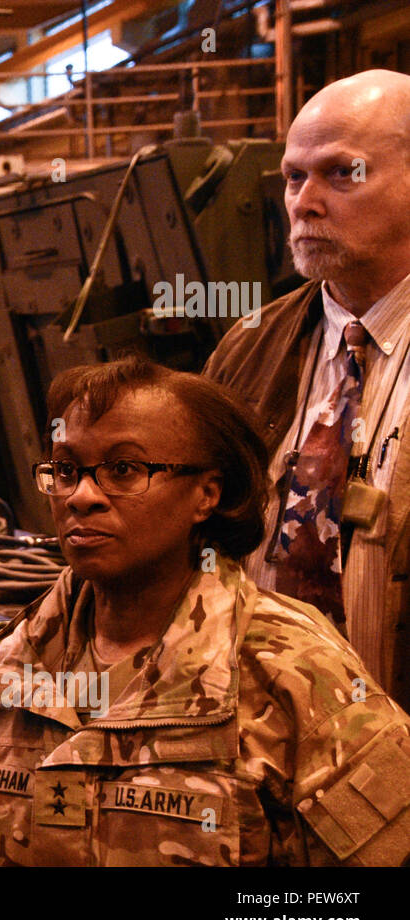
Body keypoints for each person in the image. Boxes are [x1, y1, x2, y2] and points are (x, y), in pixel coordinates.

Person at [0, 356, 410, 866]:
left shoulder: (295, 674)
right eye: (67, 469)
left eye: (124, 470)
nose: (81, 496)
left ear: (207, 494)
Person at [204, 69, 410, 710]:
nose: (304, 202)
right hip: (260, 742)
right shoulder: (249, 349)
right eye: (295, 176)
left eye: (341, 174)